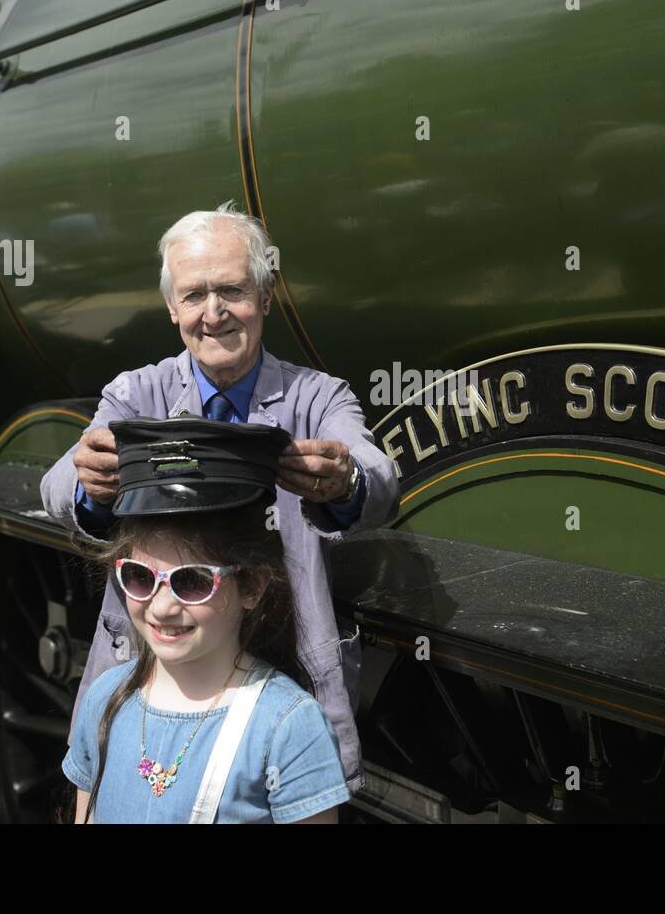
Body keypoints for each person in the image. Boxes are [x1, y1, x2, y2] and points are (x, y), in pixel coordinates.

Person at [41, 201, 399, 796]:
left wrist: (345, 481)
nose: (214, 313)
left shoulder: (316, 396)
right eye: (194, 295)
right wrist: (91, 485)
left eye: (231, 290)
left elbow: (377, 477)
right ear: (171, 308)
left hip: (285, 677)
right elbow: (59, 486)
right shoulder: (136, 392)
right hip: (151, 675)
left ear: (264, 295)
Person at [63, 417, 349, 823]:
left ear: (252, 586)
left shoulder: (289, 726)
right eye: (140, 578)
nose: (162, 607)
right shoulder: (105, 697)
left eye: (193, 582)